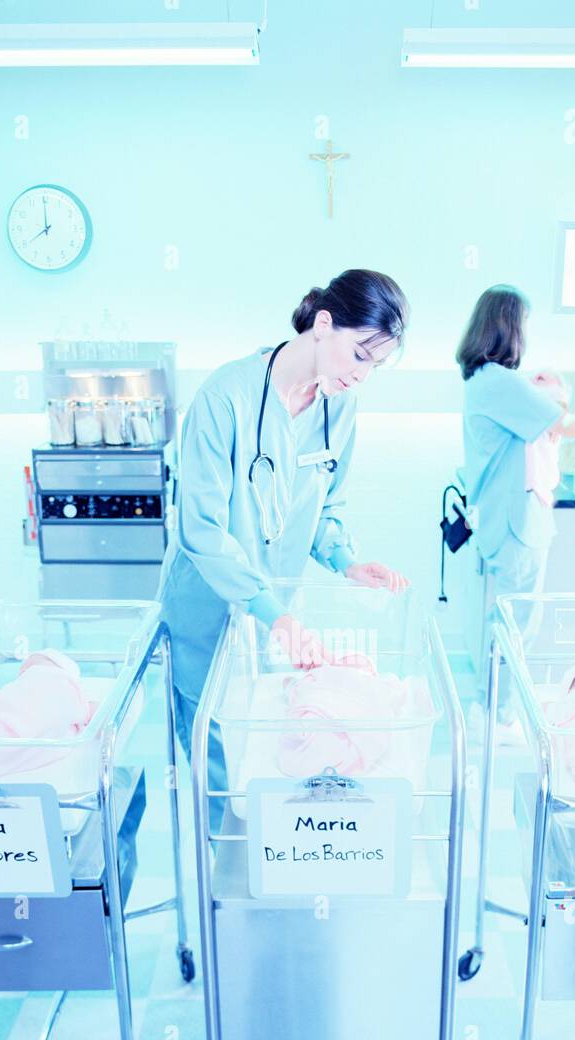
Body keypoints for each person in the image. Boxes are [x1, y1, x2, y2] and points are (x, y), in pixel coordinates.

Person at [160, 269, 411, 831]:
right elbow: (201, 528)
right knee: (218, 762)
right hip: (207, 609)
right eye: (360, 355)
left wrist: (346, 559)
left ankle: (273, 872)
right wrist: (274, 615)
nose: (362, 375)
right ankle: (226, 888)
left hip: (272, 615)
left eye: (375, 364)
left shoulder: (338, 406)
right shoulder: (225, 397)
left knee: (266, 755)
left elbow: (324, 507)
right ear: (324, 325)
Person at [456, 285, 575, 742]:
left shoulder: (484, 383)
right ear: (510, 327)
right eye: (524, 324)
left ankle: (491, 707)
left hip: (502, 518)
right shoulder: (500, 383)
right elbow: (570, 425)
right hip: (516, 523)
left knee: (503, 622)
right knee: (516, 626)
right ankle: (501, 714)